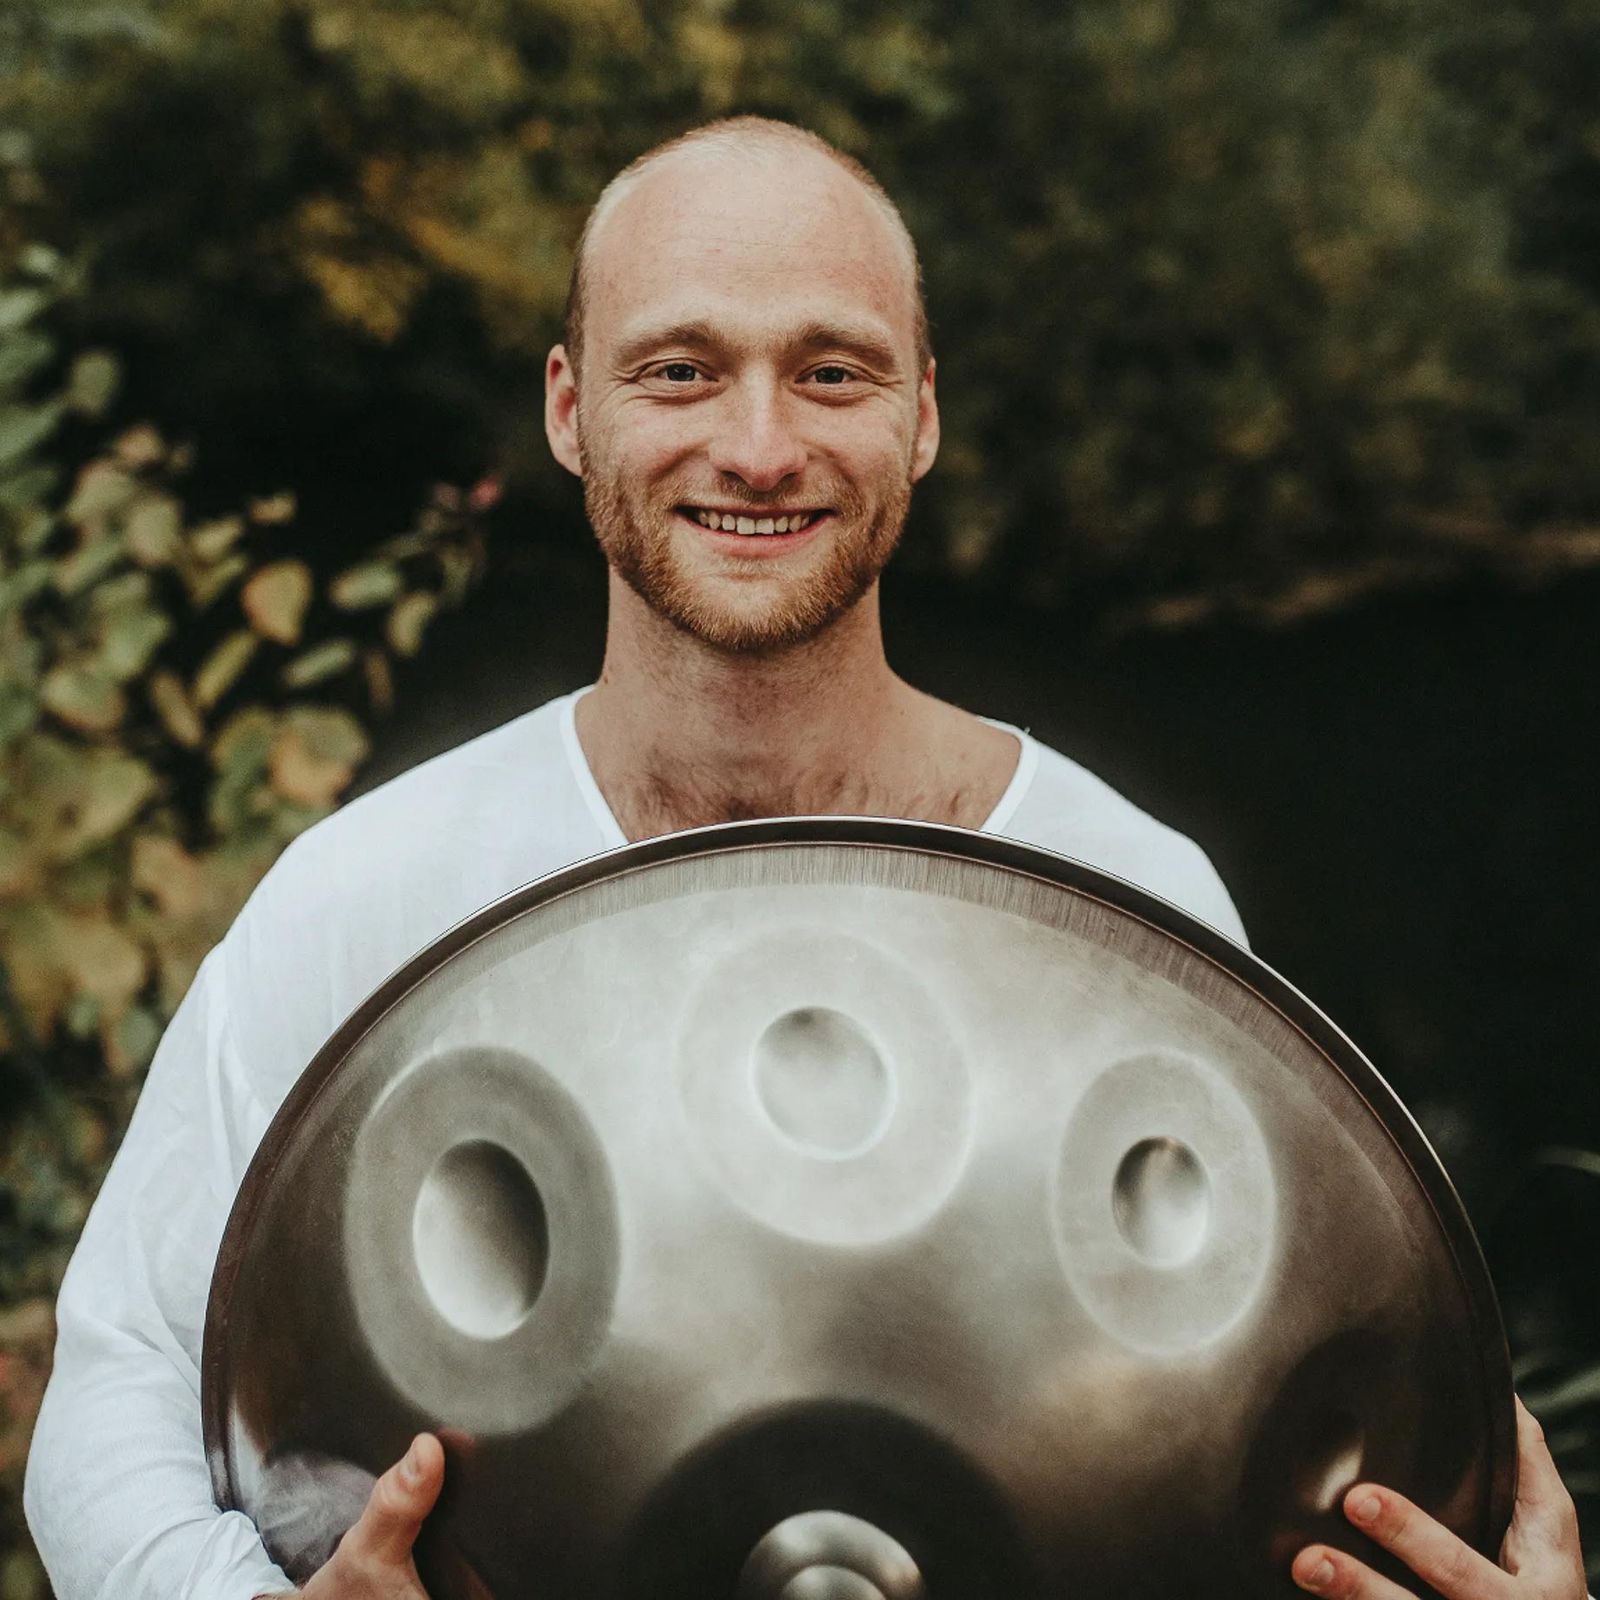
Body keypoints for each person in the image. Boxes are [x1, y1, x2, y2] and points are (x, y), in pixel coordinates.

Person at [23, 117, 1586, 1600]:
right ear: (572, 410)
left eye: (831, 371)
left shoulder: (1125, 896)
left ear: (922, 414)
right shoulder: (368, 893)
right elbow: (120, 1387)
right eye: (682, 369)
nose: (758, 446)